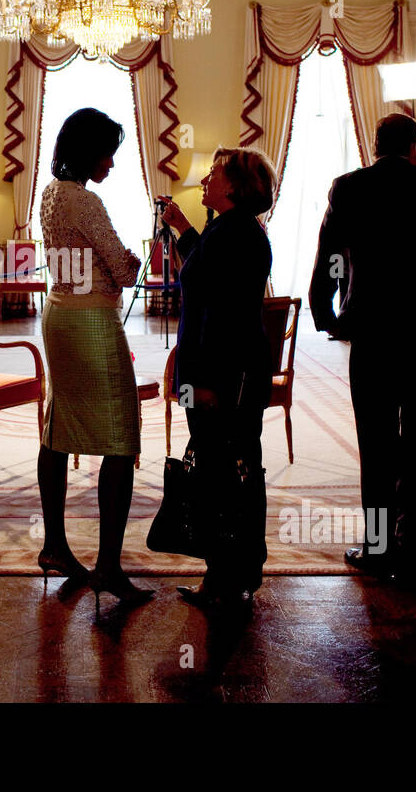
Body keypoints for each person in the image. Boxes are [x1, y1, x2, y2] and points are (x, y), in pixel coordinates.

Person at [308, 113, 416, 577]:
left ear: (374, 145)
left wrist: (327, 312)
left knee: (375, 442)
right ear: (414, 144)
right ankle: (413, 541)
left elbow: (332, 255)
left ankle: (377, 547)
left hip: (373, 333)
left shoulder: (349, 187)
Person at [35, 108, 151, 607]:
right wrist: (134, 260)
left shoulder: (49, 195)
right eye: (108, 152)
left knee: (58, 427)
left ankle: (56, 545)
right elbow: (123, 270)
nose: (111, 163)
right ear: (87, 152)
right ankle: (107, 566)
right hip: (91, 323)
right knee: (122, 438)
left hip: (59, 313)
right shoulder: (86, 201)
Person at [160, 148, 275, 609]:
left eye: (213, 173)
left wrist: (203, 381)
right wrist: (184, 229)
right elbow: (202, 275)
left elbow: (222, 315)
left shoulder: (237, 234)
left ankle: (230, 576)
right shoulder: (225, 229)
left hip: (224, 377)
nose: (205, 178)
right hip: (207, 370)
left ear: (233, 186)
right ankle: (226, 573)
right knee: (216, 467)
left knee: (229, 470)